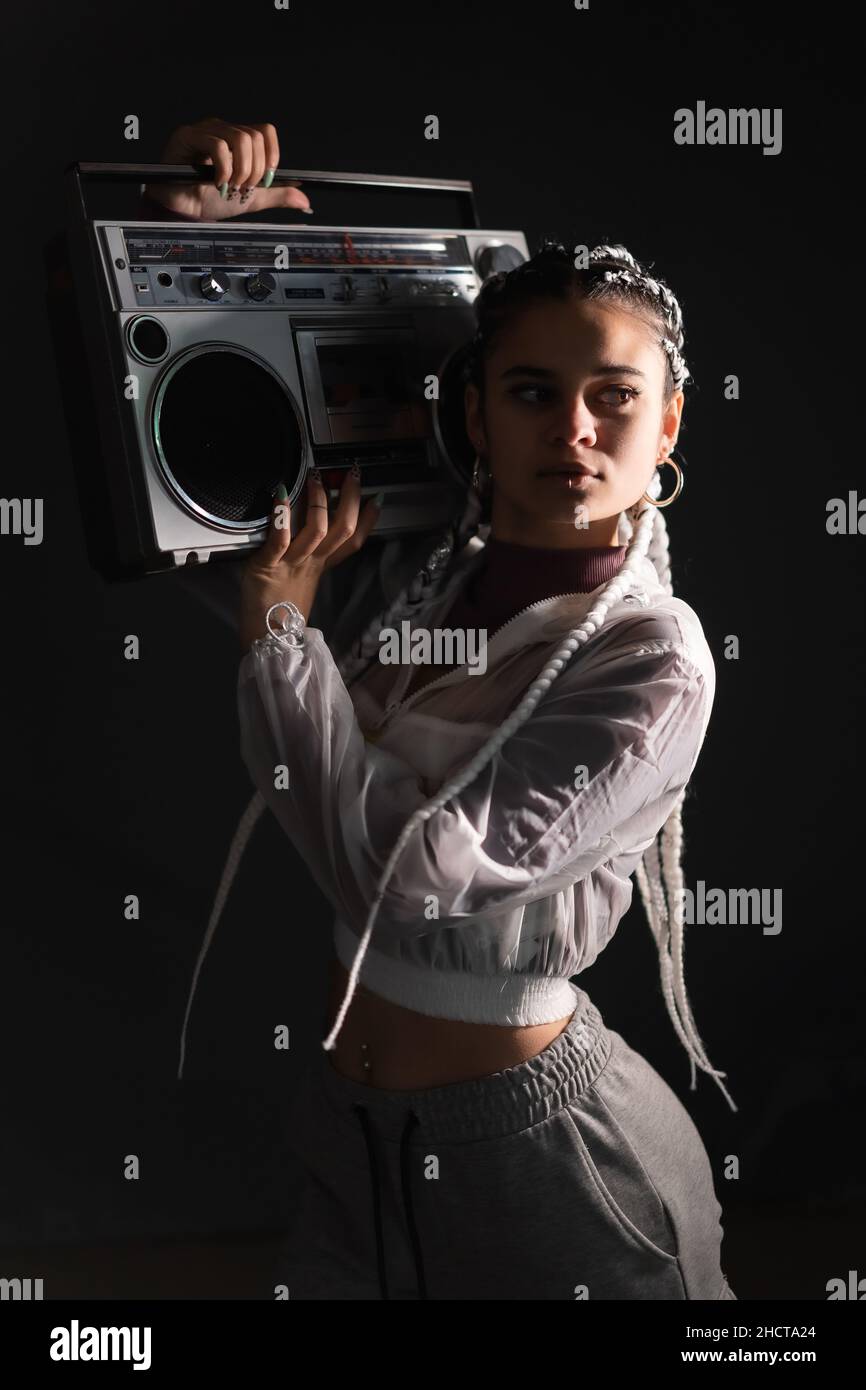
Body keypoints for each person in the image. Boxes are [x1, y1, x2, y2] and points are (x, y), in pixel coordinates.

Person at [152, 117, 738, 1299]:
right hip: (348, 1131)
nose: (570, 430)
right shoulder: (423, 579)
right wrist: (211, 268)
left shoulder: (649, 657)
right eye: (531, 391)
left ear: (664, 424)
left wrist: (281, 629)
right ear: (476, 416)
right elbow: (230, 552)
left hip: (544, 1163)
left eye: (612, 397)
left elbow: (405, 871)